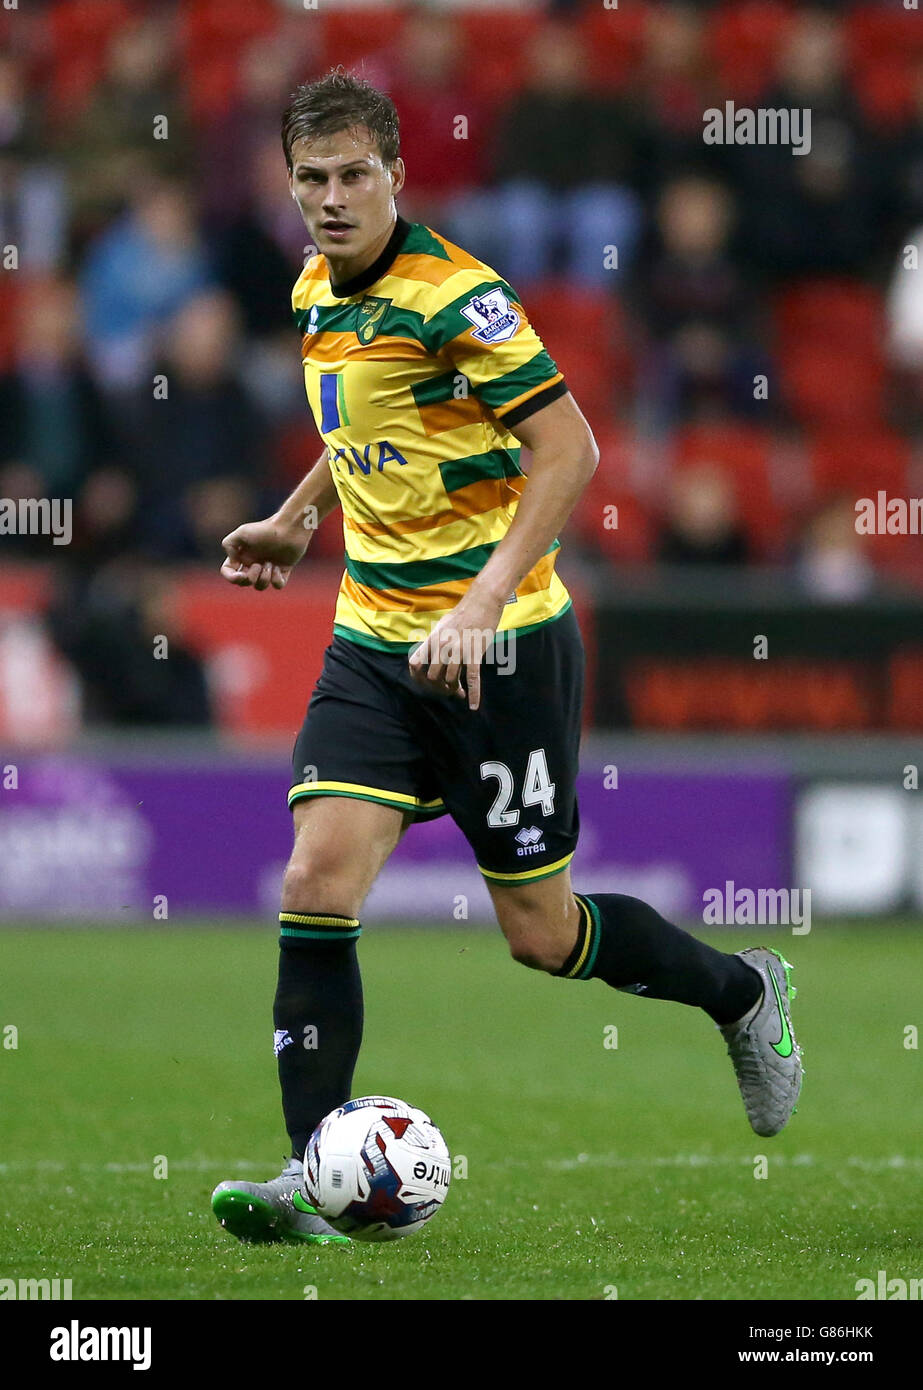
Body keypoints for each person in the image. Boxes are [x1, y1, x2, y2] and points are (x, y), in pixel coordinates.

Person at [210, 71, 802, 1246]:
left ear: (396, 175)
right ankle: (313, 1172)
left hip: (503, 646)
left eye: (353, 175)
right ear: (288, 185)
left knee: (541, 933)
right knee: (314, 880)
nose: (332, 198)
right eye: (310, 179)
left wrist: (482, 602)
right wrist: (294, 515)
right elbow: (367, 424)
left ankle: (741, 989)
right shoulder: (314, 286)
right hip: (374, 642)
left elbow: (568, 449)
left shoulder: (458, 297)